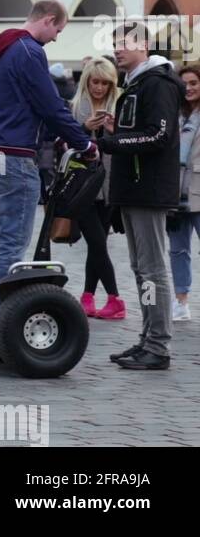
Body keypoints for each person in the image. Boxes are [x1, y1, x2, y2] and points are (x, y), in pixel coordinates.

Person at [0, 0, 94, 332]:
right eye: (58, 30)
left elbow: (3, 104)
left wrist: (50, 135)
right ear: (48, 20)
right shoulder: (29, 52)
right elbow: (50, 105)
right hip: (13, 157)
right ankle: (0, 318)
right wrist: (83, 143)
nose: (56, 38)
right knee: (12, 242)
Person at [101, 22, 183, 370]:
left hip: (148, 189)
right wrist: (115, 130)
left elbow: (159, 135)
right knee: (140, 269)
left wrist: (114, 141)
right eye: (115, 43)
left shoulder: (158, 84)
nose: (118, 49)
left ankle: (158, 346)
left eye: (124, 43)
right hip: (134, 189)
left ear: (144, 46)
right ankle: (148, 338)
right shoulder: (135, 84)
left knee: (153, 269)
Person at [69, 57, 124, 320]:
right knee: (97, 241)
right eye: (95, 82)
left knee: (97, 244)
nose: (99, 88)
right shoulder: (76, 106)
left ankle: (87, 296)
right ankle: (115, 298)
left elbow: (127, 144)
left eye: (104, 83)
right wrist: (83, 129)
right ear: (87, 81)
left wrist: (113, 132)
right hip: (82, 184)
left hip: (110, 184)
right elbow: (63, 143)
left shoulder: (119, 107)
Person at [168, 63, 200, 321]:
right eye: (185, 84)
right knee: (178, 250)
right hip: (174, 192)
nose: (188, 88)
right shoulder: (172, 114)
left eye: (193, 83)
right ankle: (181, 300)